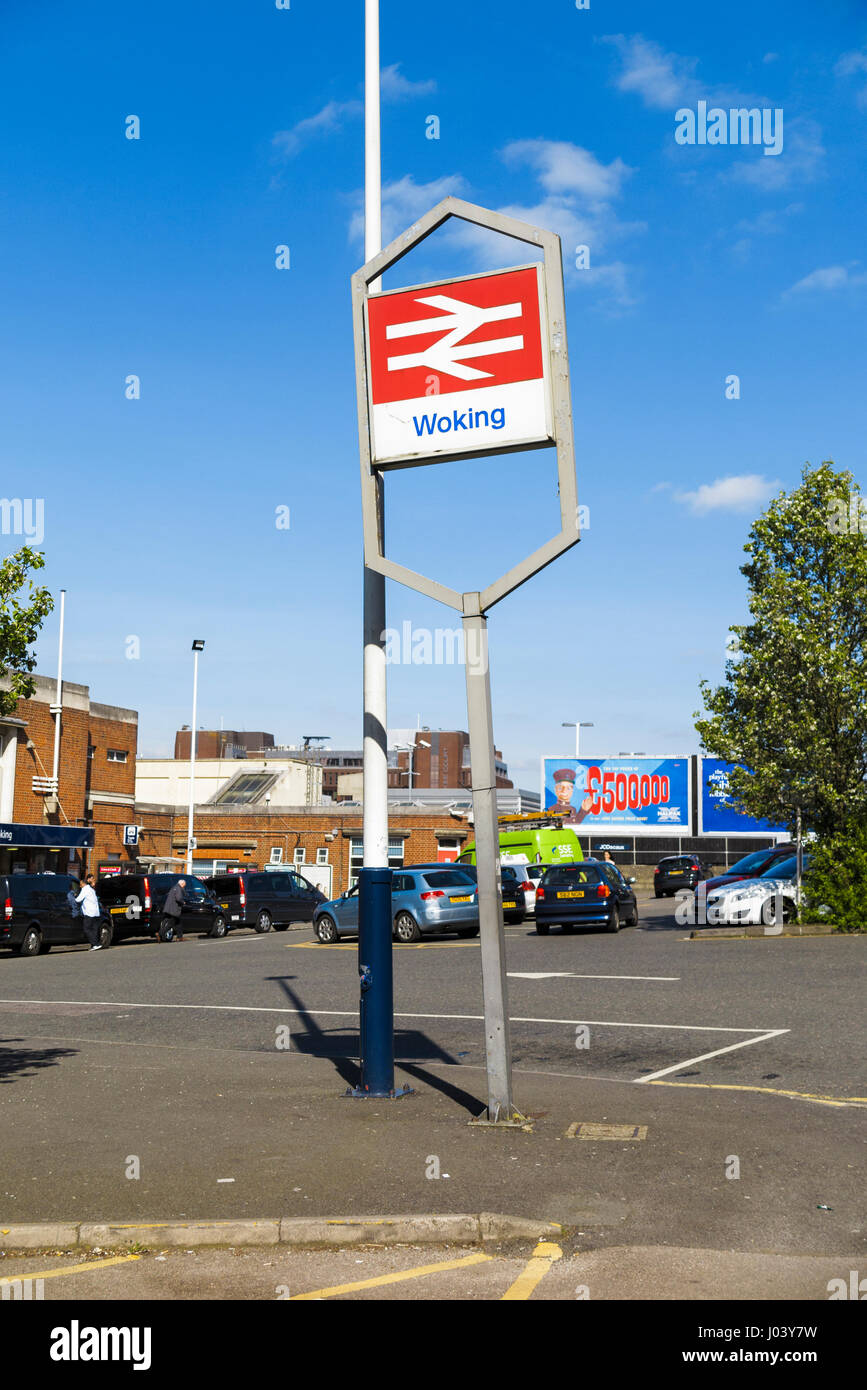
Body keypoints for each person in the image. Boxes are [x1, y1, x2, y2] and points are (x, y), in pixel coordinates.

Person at [75, 874, 103, 950]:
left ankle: (95, 944)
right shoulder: (91, 889)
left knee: (86, 929)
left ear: (83, 884)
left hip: (89, 913)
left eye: (80, 885)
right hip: (96, 912)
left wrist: (73, 896)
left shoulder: (85, 889)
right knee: (94, 929)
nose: (80, 886)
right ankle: (97, 944)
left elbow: (78, 900)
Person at [160, 877, 187, 942]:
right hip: (174, 909)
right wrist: (183, 902)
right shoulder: (178, 888)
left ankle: (179, 937)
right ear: (182, 884)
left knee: (178, 923)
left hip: (169, 908)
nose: (184, 887)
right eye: (184, 885)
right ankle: (160, 934)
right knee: (171, 924)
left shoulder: (174, 887)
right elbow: (178, 898)